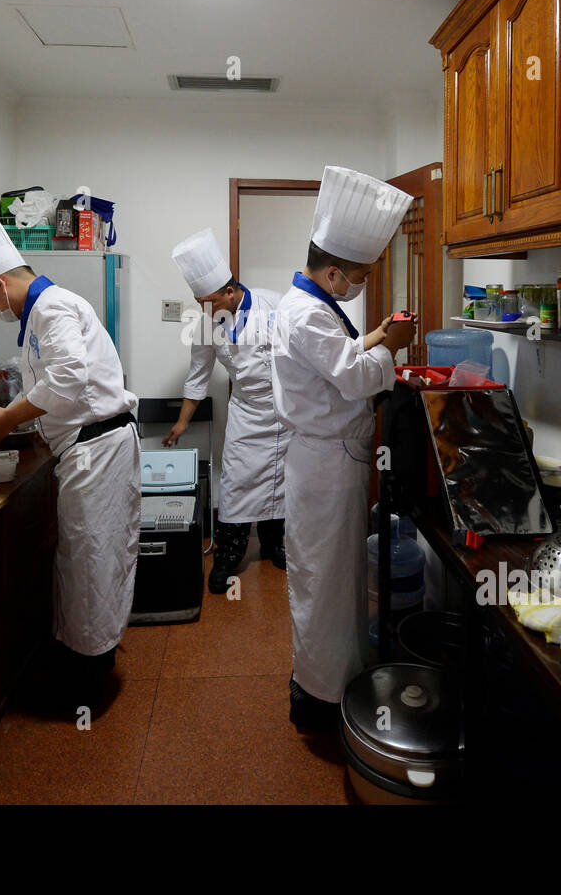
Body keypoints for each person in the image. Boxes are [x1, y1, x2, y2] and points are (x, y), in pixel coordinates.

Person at [0, 210, 140, 710]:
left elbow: (68, 379)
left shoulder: (52, 308)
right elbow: (51, 387)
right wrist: (3, 415)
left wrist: (5, 422)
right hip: (92, 447)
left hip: (97, 450)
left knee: (90, 560)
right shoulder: (41, 312)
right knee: (88, 558)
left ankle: (90, 679)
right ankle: (90, 659)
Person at [269, 166, 416, 730]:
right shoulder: (305, 313)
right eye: (358, 275)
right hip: (326, 465)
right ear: (332, 272)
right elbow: (355, 377)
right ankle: (321, 696)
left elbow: (344, 353)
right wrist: (391, 348)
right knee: (326, 585)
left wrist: (376, 333)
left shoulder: (312, 303)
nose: (359, 283)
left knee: (331, 578)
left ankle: (325, 681)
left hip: (329, 460)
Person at [165, 228, 287, 593]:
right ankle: (229, 554)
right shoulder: (207, 323)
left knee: (282, 483)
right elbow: (198, 376)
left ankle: (274, 543)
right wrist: (181, 423)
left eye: (209, 300)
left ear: (230, 292)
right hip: (246, 413)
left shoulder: (275, 305)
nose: (204, 308)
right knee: (235, 485)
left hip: (284, 414)